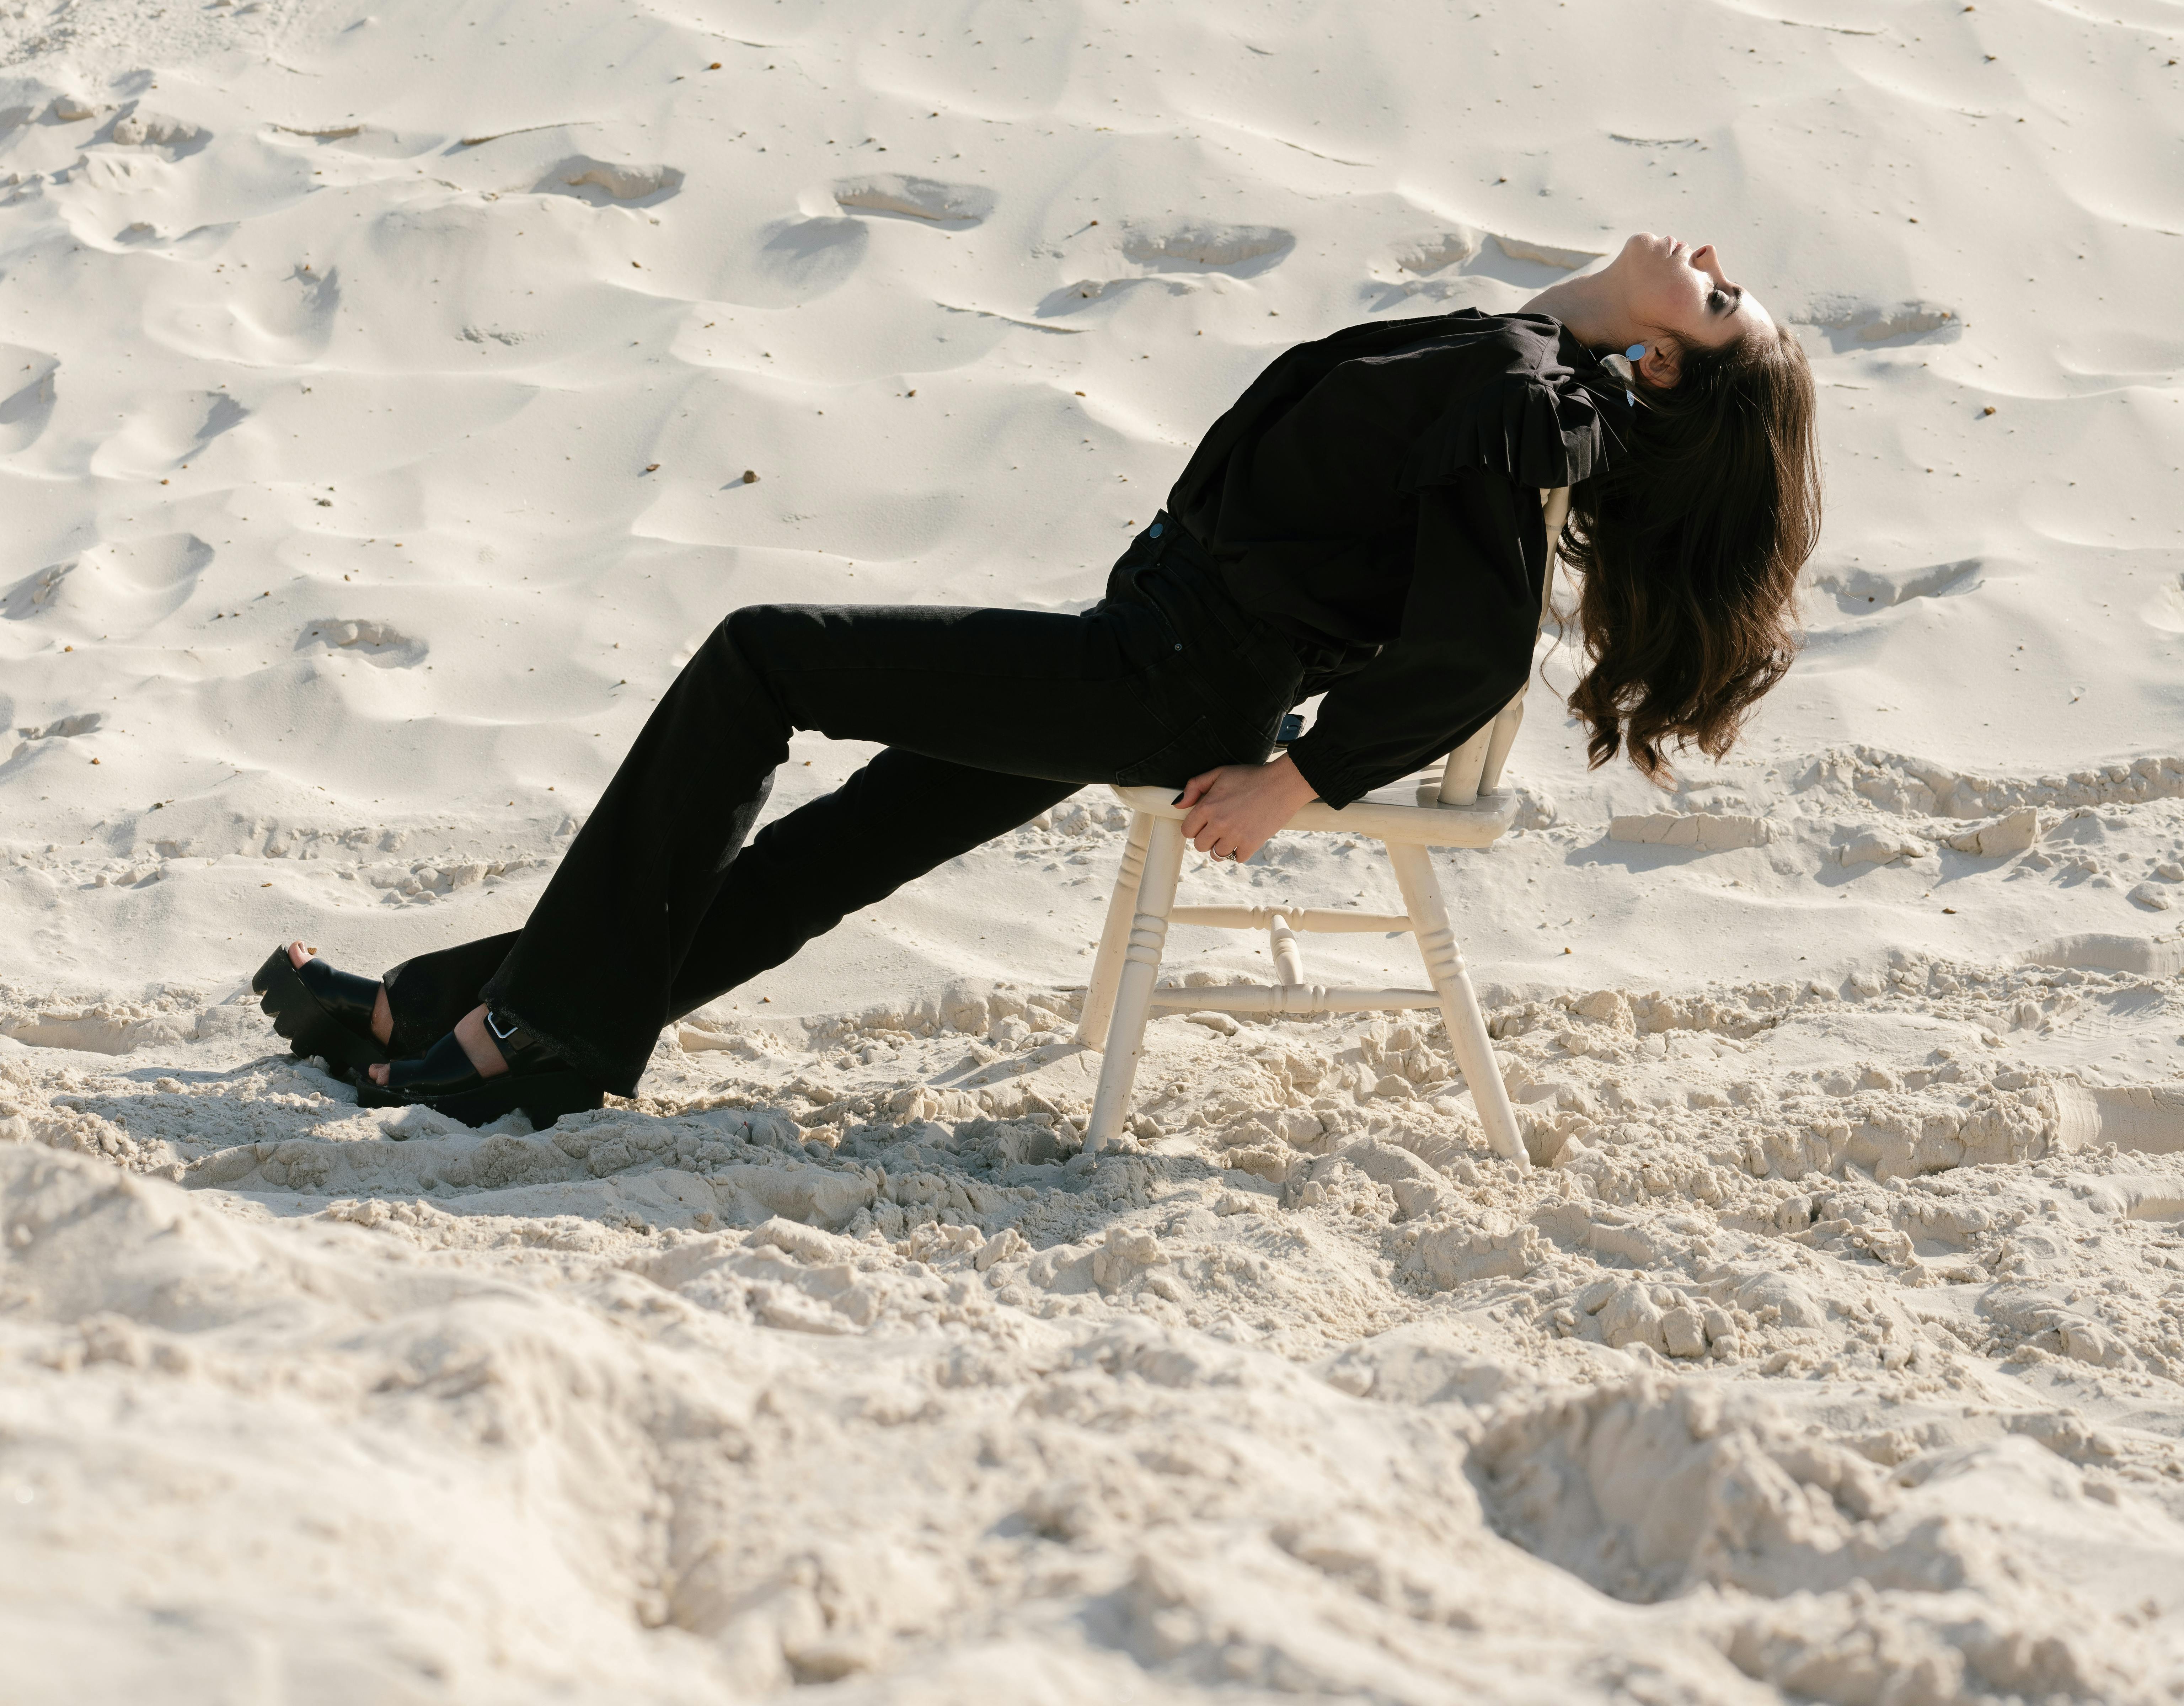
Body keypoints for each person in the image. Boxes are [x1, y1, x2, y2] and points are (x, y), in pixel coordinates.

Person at [253, 231, 1819, 1128]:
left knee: (760, 660)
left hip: (1163, 678)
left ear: (1672, 364)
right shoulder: (1530, 368)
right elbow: (1527, 336)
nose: (1708, 261)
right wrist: (1617, 302)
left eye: (1722, 298)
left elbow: (1471, 649)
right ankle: (439, 1005)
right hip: (1148, 656)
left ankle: (531, 1043)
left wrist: (1301, 782)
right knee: (834, 848)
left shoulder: (1517, 398)